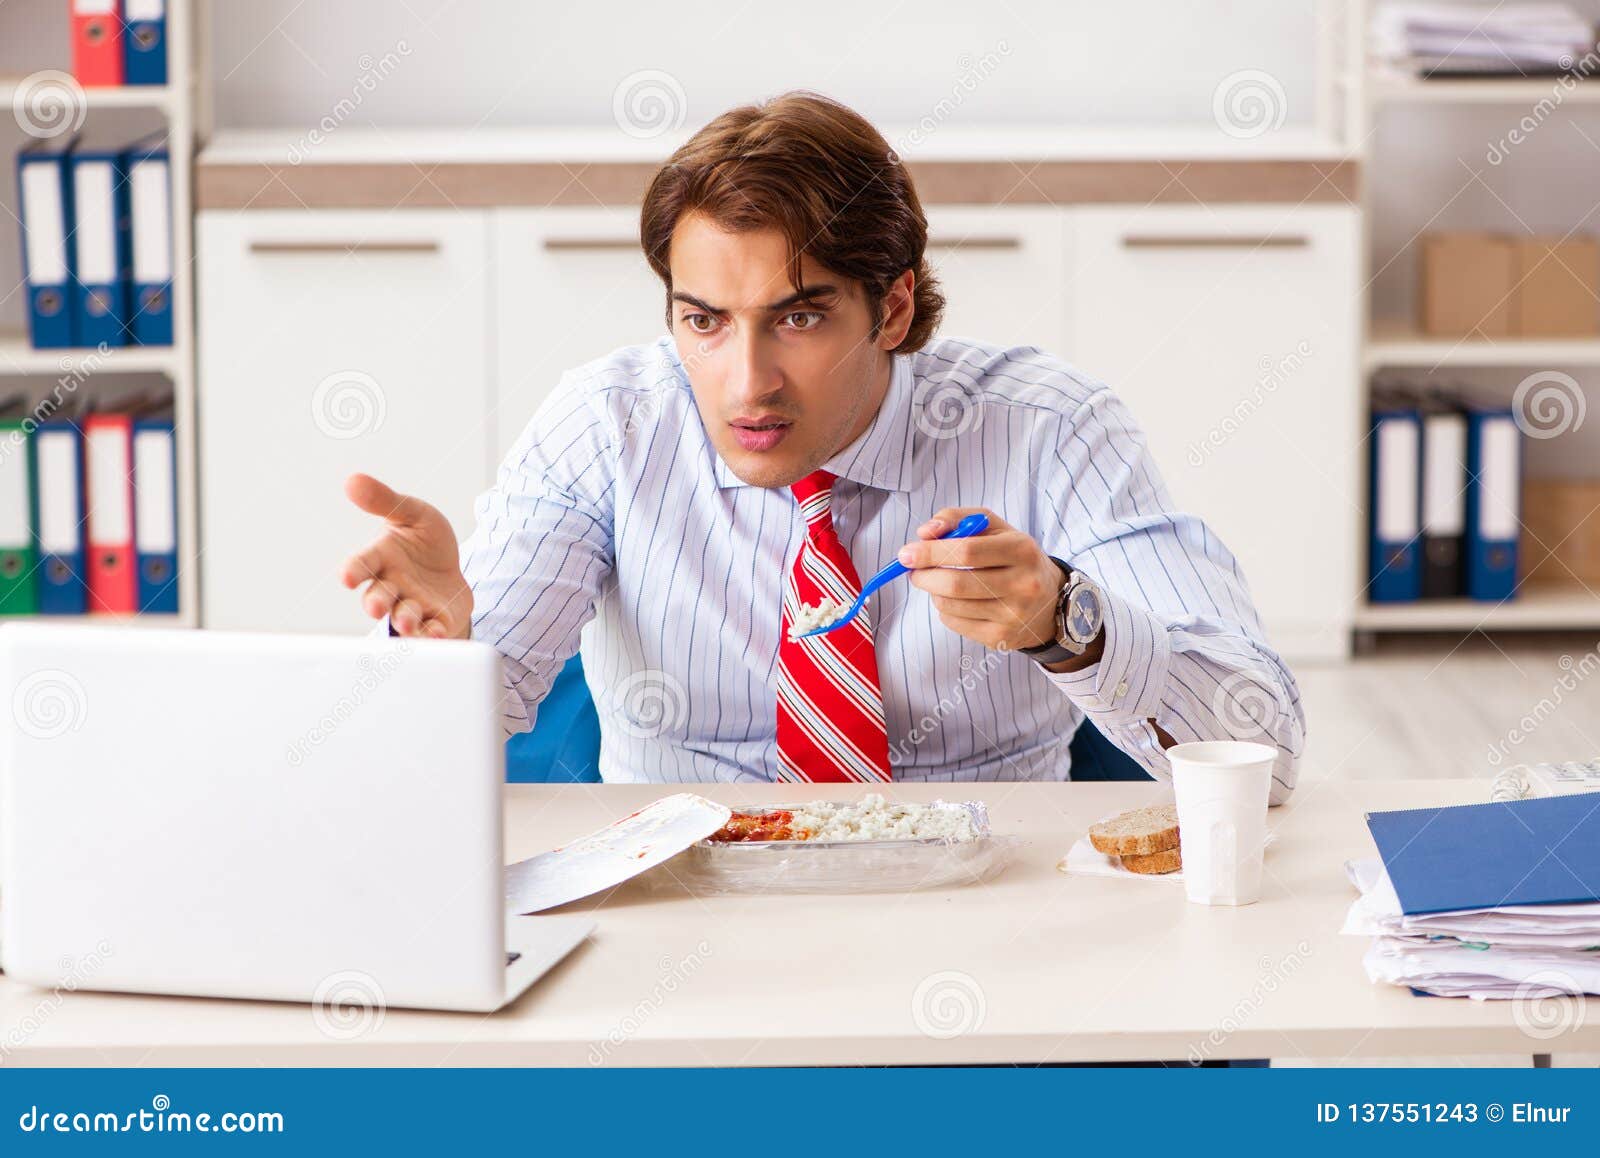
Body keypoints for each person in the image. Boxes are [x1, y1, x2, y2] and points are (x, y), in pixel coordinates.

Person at [340, 90, 1303, 801]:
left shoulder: (1049, 428)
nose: (746, 382)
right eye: (704, 321)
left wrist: (1066, 622)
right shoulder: (608, 427)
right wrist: (439, 649)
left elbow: (1271, 748)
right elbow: (442, 748)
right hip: (686, 893)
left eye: (797, 319)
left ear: (889, 308)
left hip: (989, 894)